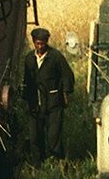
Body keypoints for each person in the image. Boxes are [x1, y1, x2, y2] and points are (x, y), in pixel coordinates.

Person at [23, 27, 74, 163]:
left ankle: (57, 162)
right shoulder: (29, 59)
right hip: (35, 103)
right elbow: (26, 80)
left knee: (53, 136)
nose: (40, 47)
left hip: (53, 103)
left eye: (42, 44)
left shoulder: (55, 57)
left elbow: (67, 75)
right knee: (35, 136)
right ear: (33, 42)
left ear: (46, 42)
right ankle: (37, 164)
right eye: (37, 43)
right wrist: (26, 99)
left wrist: (65, 93)